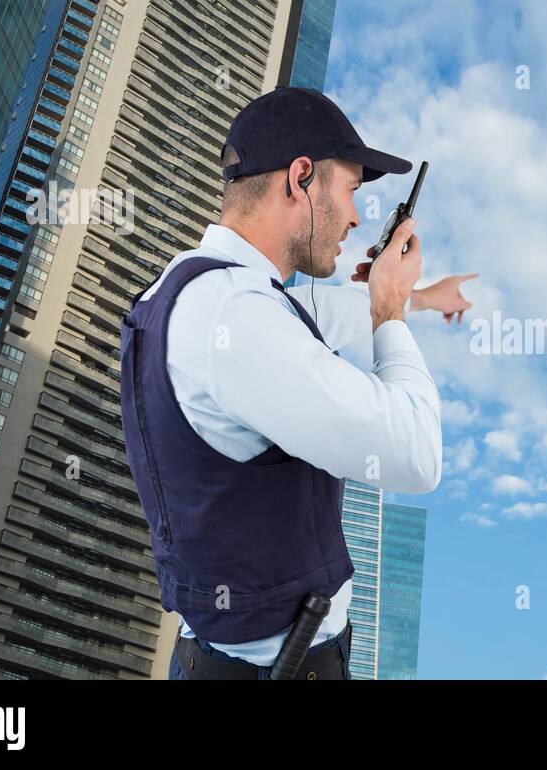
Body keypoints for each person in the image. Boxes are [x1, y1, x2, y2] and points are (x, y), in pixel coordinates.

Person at [118, 86, 474, 679]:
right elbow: (417, 456)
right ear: (301, 178)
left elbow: (321, 316)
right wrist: (390, 313)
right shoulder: (236, 314)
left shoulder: (194, 289)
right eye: (350, 191)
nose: (356, 217)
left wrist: (417, 296)